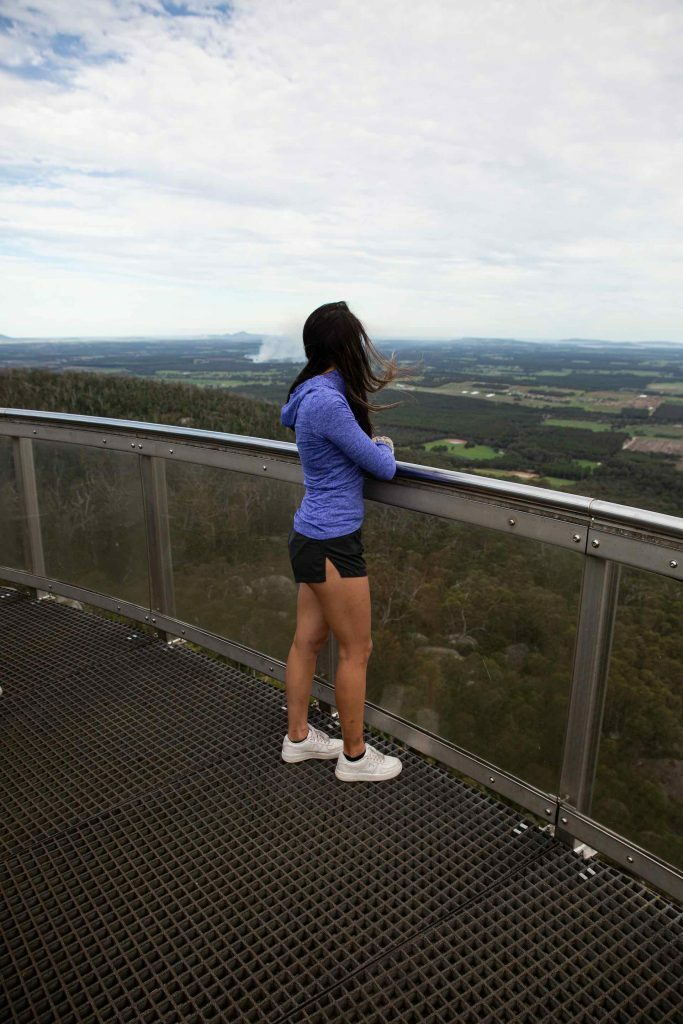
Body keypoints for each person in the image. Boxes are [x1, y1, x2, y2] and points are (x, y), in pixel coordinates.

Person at [279, 300, 404, 782]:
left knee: (307, 641)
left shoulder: (309, 393)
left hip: (309, 536)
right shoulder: (329, 402)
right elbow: (382, 467)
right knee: (357, 650)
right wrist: (385, 445)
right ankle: (354, 756)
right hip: (334, 543)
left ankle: (298, 739)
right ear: (345, 347)